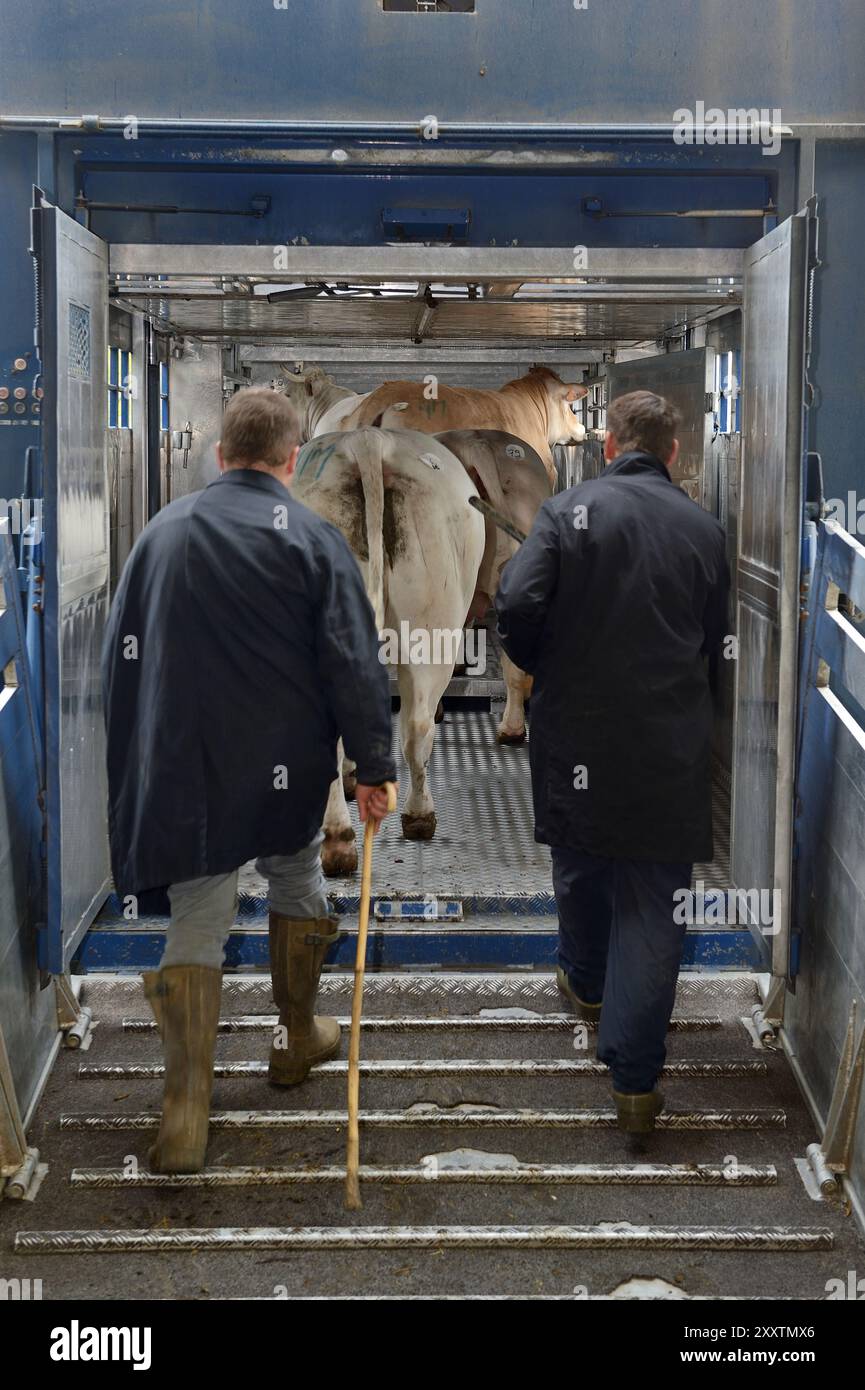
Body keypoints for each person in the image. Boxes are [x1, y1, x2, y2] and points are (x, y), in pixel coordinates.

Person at [102, 388, 397, 1172]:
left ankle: (185, 1112)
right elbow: (353, 664)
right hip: (282, 768)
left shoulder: (160, 532)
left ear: (219, 453)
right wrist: (373, 768)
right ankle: (298, 1041)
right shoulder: (309, 535)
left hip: (181, 766)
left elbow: (118, 661)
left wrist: (137, 760)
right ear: (291, 460)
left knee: (198, 913)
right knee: (296, 876)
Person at [495, 390, 729, 1133]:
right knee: (654, 903)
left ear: (606, 446)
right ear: (673, 453)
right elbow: (717, 642)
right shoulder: (703, 528)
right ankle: (633, 1083)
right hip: (667, 742)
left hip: (579, 737)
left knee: (580, 866)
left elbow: (516, 603)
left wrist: (544, 670)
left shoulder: (569, 512)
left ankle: (587, 988)